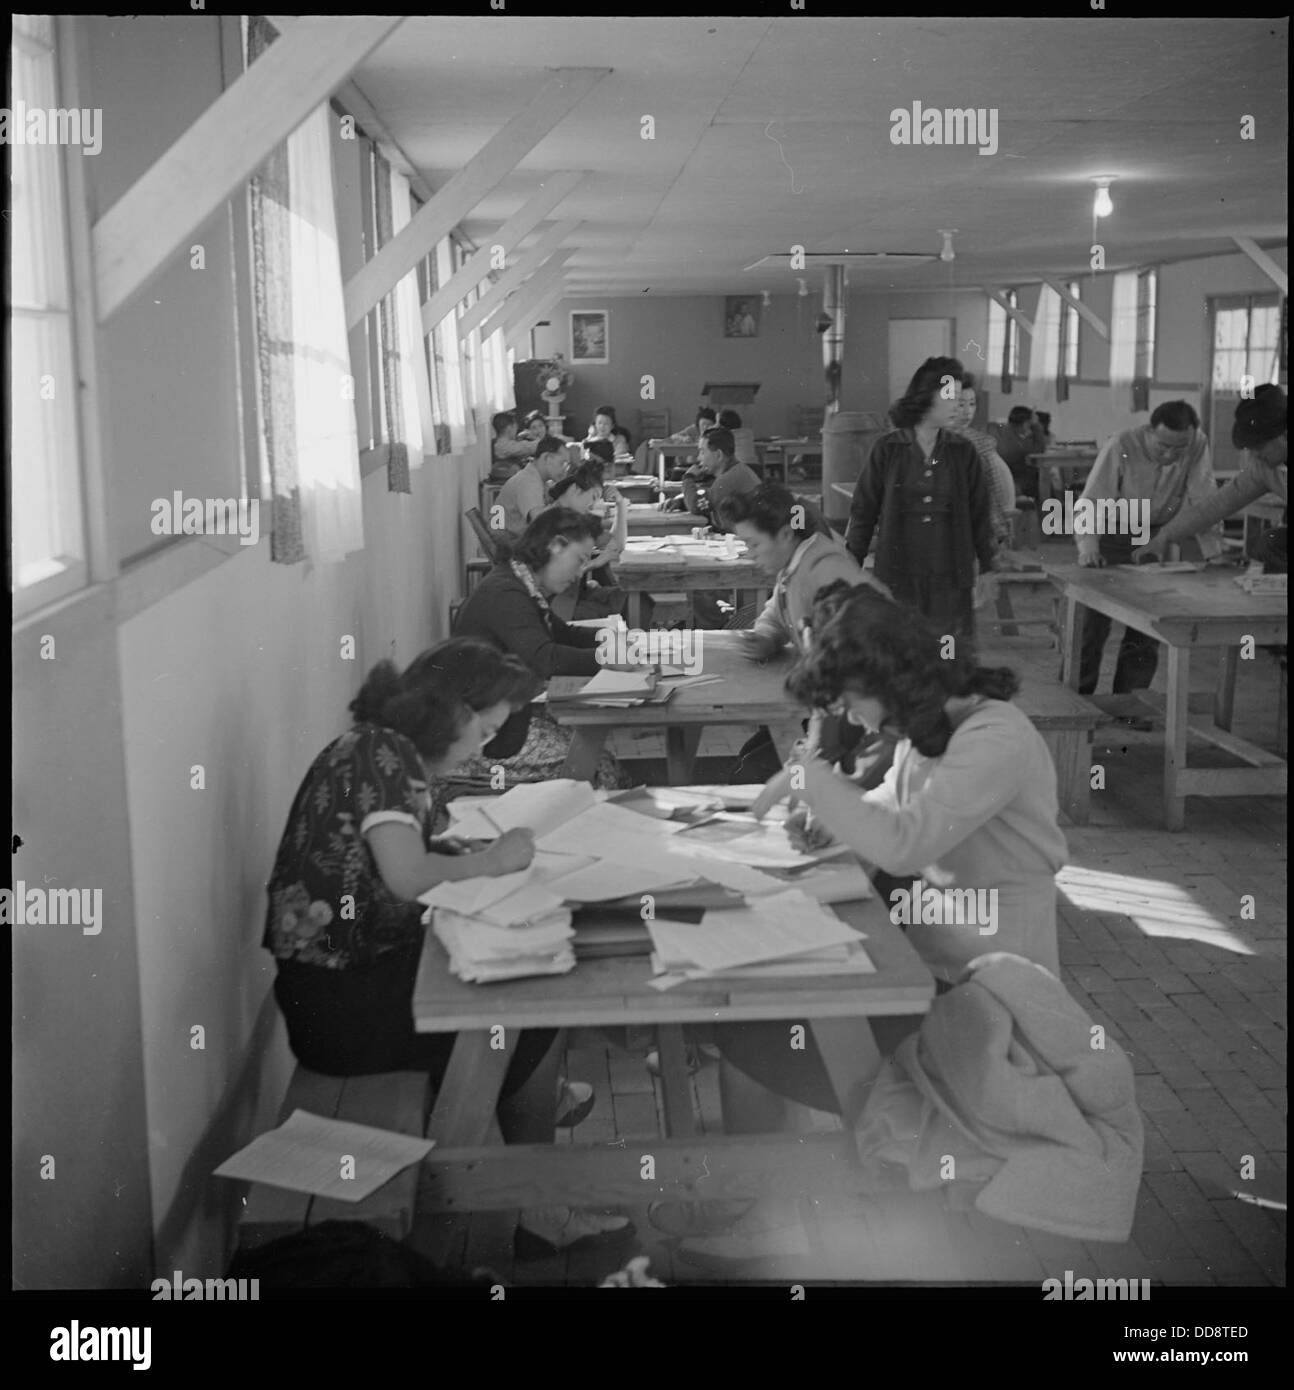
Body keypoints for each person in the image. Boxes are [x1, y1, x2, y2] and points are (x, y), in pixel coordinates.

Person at [678, 584, 1068, 1267]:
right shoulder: (937, 732)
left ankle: (771, 1214)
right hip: (938, 973)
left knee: (752, 1035)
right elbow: (887, 807)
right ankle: (769, 1206)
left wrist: (811, 780)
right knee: (752, 1025)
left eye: (855, 698)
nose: (854, 718)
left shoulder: (996, 735)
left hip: (989, 1005)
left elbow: (907, 840)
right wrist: (828, 819)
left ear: (891, 678)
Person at [263, 638, 631, 1256]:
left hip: (325, 990)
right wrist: (490, 860)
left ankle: (532, 1180)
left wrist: (453, 858)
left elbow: (392, 862)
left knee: (520, 1002)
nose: (483, 747)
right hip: (340, 1009)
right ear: (452, 712)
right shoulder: (391, 760)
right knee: (529, 1018)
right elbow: (407, 878)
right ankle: (535, 1210)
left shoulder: (374, 745)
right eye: (483, 730)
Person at [717, 483, 890, 782]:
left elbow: (851, 666)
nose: (749, 554)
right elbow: (779, 608)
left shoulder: (827, 572)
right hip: (838, 708)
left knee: (755, 773)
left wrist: (817, 751)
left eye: (753, 544)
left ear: (785, 534)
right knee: (751, 758)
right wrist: (766, 636)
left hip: (871, 720)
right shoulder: (795, 563)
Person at [452, 509, 633, 788]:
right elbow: (545, 658)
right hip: (484, 739)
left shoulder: (520, 583)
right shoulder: (506, 593)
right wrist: (605, 657)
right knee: (598, 767)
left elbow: (562, 633)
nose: (580, 572)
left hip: (507, 718)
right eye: (579, 560)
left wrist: (613, 637)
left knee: (597, 754)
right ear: (555, 545)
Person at [1073, 401, 1223, 723]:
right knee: (1092, 626)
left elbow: (1204, 497)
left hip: (1158, 535)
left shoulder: (1196, 443)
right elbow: (1092, 501)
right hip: (1111, 532)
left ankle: (1129, 706)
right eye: (1163, 446)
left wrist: (1213, 551)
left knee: (1149, 624)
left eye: (1178, 448)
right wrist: (1089, 546)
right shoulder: (1121, 444)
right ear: (1149, 432)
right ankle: (1075, 708)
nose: (1170, 455)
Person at [845, 356, 996, 638]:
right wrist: (852, 562)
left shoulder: (963, 452)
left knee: (948, 654)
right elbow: (863, 510)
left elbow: (980, 514)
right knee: (899, 651)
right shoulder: (888, 449)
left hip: (950, 573)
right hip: (896, 571)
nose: (957, 405)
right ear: (926, 396)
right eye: (950, 395)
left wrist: (987, 568)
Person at [1135, 384, 1287, 565]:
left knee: (1272, 541)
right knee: (1268, 544)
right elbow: (1216, 505)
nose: (1255, 455)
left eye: (1260, 447)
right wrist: (1165, 536)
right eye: (1251, 449)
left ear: (1285, 434)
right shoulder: (1264, 467)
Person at [548, 462, 628, 620]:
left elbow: (617, 544)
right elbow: (556, 574)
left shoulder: (577, 518)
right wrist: (594, 563)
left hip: (578, 594)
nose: (593, 505)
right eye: (592, 497)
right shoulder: (549, 520)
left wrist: (621, 505)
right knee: (626, 606)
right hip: (560, 606)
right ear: (576, 490)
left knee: (630, 597)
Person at [954, 375, 1019, 552]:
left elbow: (993, 492)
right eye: (960, 404)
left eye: (972, 404)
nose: (967, 412)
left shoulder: (981, 444)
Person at [683, 426, 762, 531]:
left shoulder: (728, 480)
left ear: (718, 455)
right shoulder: (738, 470)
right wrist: (681, 502)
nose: (698, 458)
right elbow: (709, 496)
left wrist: (688, 477)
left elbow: (696, 505)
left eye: (702, 452)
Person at [496, 435, 571, 538]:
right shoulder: (528, 481)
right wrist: (564, 502)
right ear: (547, 458)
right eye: (563, 463)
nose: (565, 470)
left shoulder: (536, 477)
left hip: (515, 540)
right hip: (509, 545)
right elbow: (540, 521)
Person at [993, 406, 1039, 499]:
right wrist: (1037, 426)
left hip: (999, 479)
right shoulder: (1016, 442)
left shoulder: (1003, 431)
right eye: (1030, 424)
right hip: (1011, 483)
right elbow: (1038, 449)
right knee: (1038, 475)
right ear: (1026, 423)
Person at [489, 412, 536, 478]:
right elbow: (527, 447)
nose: (516, 429)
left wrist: (519, 438)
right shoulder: (503, 446)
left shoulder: (498, 442)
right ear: (509, 428)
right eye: (515, 426)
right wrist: (540, 438)